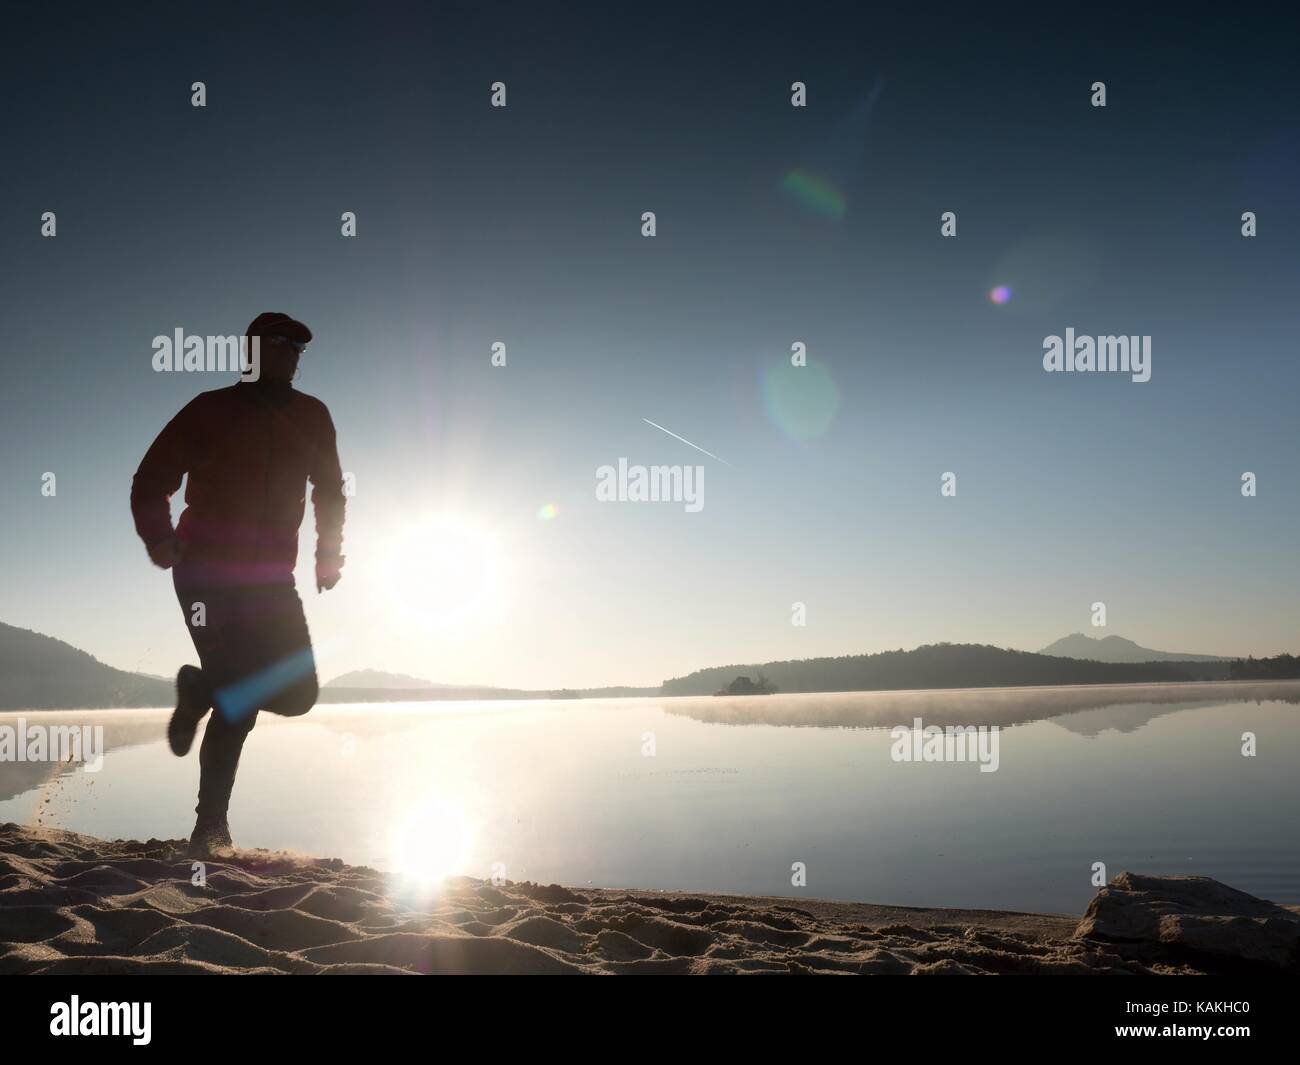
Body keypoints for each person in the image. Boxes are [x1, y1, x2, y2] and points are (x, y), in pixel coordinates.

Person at [130, 312, 346, 856]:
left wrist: (327, 553)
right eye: (281, 343)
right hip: (205, 574)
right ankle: (210, 829)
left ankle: (202, 687)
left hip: (272, 581)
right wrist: (160, 539)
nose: (293, 353)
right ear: (252, 350)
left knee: (299, 695)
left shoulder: (313, 415)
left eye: (300, 345)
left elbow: (330, 490)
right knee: (240, 703)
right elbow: (150, 479)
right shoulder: (210, 409)